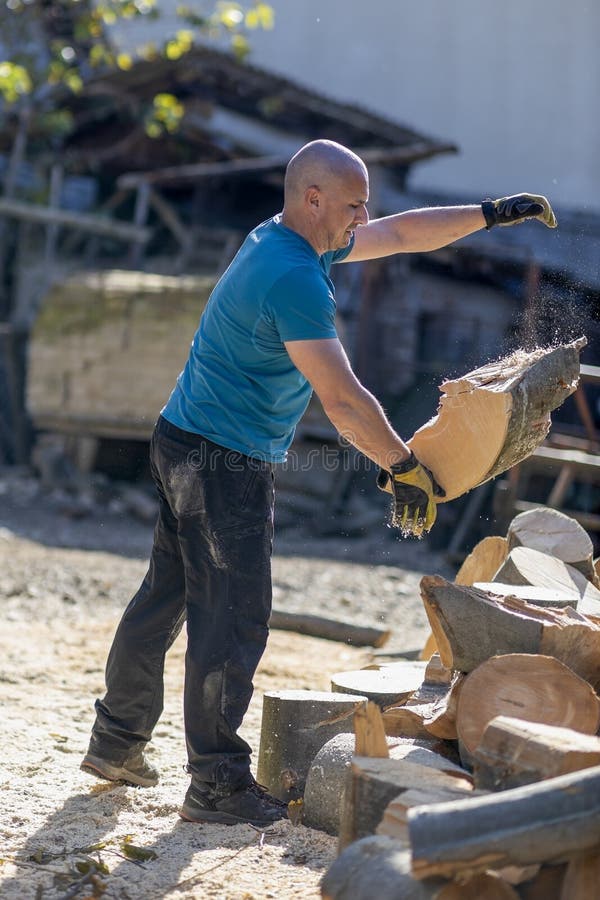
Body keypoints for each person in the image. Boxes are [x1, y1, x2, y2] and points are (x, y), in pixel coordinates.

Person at [80, 140, 557, 827]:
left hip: (183, 437)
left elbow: (401, 234)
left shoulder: (289, 238)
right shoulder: (294, 277)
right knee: (232, 618)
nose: (365, 216)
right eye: (355, 204)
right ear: (314, 199)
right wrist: (404, 467)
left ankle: (115, 742)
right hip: (223, 462)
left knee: (167, 594)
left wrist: (489, 213)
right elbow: (344, 401)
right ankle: (215, 784)